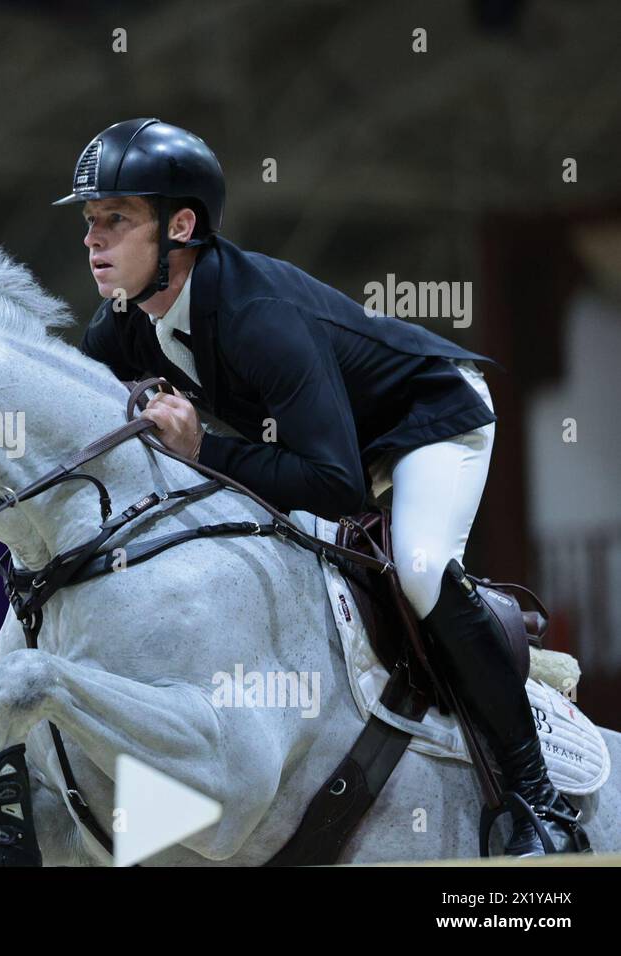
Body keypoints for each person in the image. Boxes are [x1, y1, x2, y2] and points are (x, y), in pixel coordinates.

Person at [59, 117, 589, 856]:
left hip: (429, 418)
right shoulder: (122, 323)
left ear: (180, 225)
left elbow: (336, 486)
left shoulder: (255, 317)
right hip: (335, 441)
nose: (93, 239)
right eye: (89, 220)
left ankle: (536, 801)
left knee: (423, 568)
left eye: (116, 218)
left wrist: (201, 446)